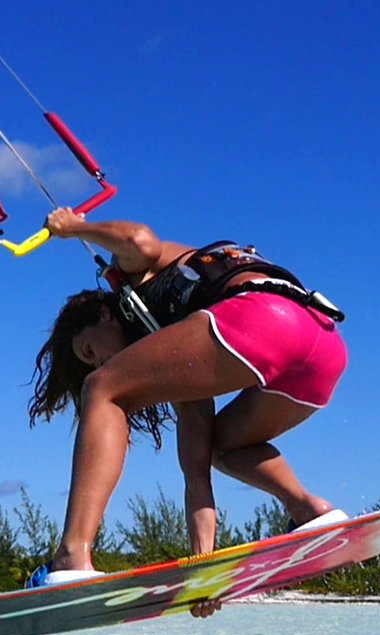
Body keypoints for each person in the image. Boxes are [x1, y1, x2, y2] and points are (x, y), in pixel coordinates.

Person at [25, 207, 350, 604]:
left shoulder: (132, 277)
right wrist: (204, 573)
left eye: (90, 349)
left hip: (260, 317)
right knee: (223, 449)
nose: (99, 362)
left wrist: (74, 228)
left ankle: (72, 556)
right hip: (323, 344)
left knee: (101, 389)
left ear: (105, 314)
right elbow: (197, 480)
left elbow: (138, 239)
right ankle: (310, 511)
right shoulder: (185, 368)